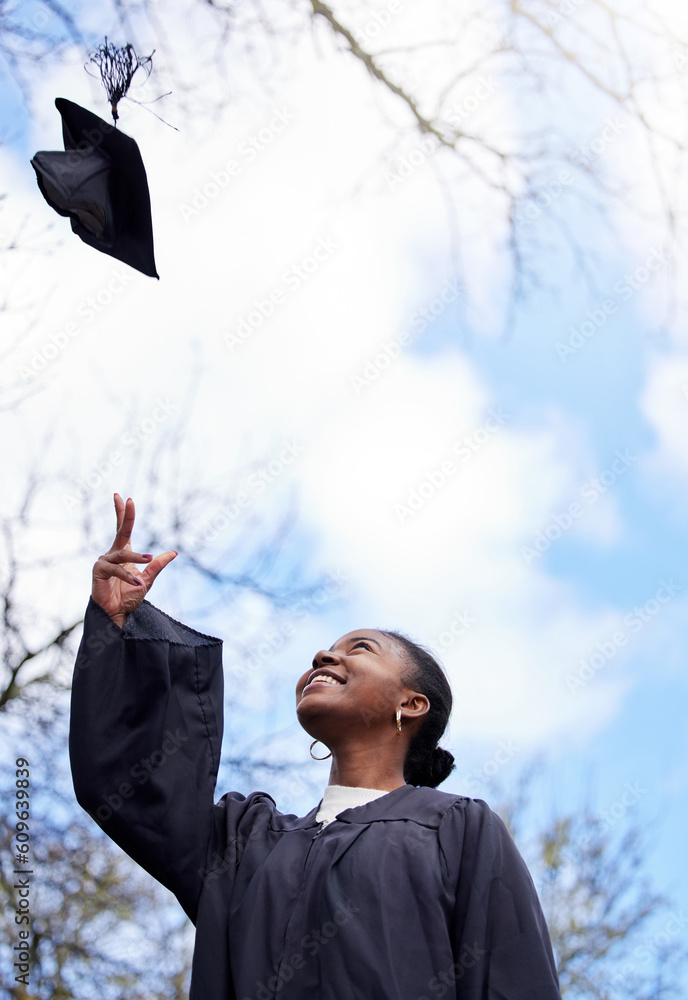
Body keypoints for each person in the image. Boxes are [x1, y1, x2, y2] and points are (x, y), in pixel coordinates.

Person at [70, 493, 562, 1000]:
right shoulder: (242, 844)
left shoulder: (458, 829)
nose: (323, 653)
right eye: (328, 647)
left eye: (360, 647)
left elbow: (512, 980)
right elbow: (126, 785)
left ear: (412, 705)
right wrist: (117, 627)